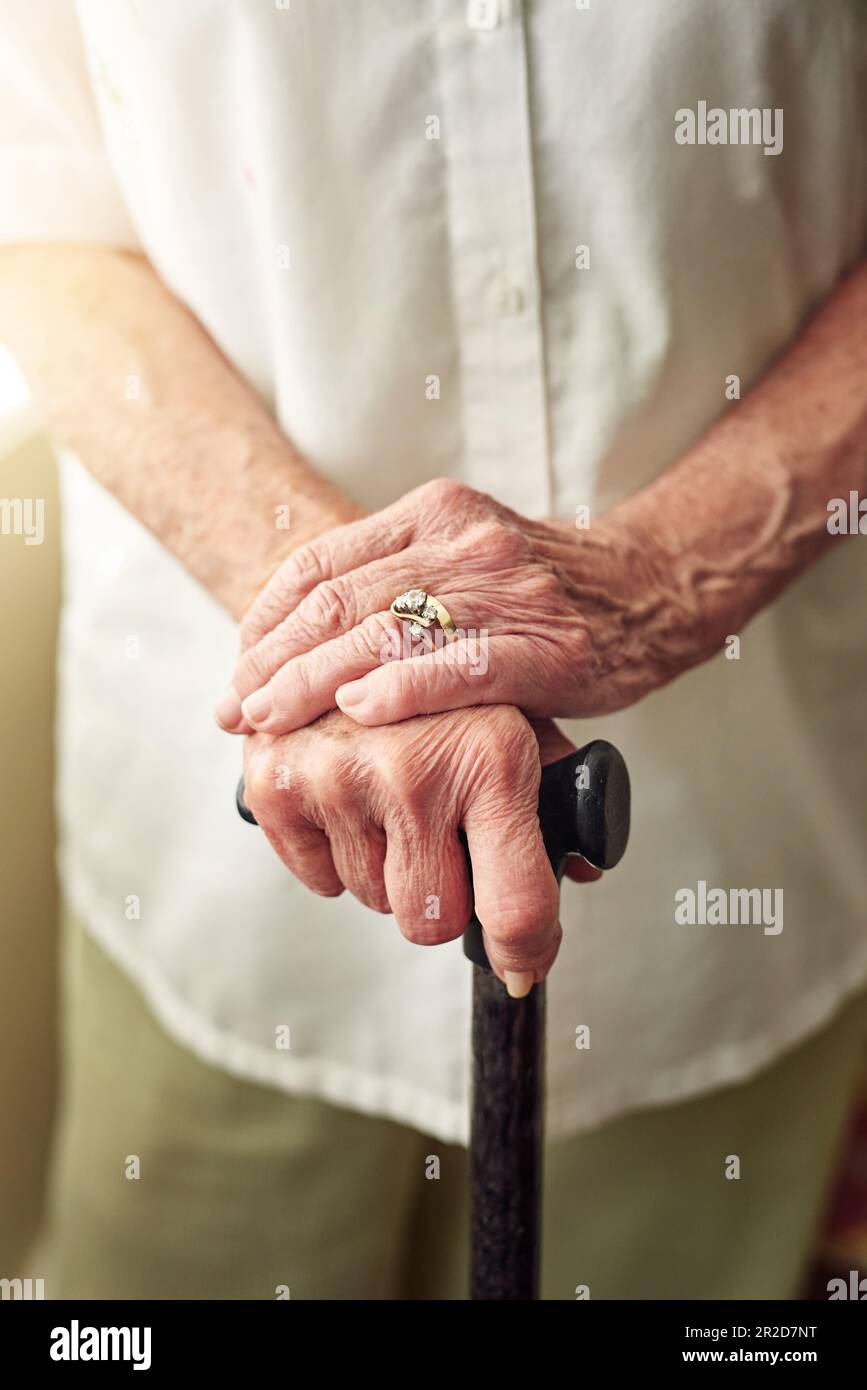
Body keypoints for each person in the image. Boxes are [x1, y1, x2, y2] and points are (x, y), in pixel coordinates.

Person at [1, 0, 866, 1300]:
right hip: (221, 879)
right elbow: (40, 203)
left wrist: (654, 579)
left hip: (729, 863)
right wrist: (365, 632)